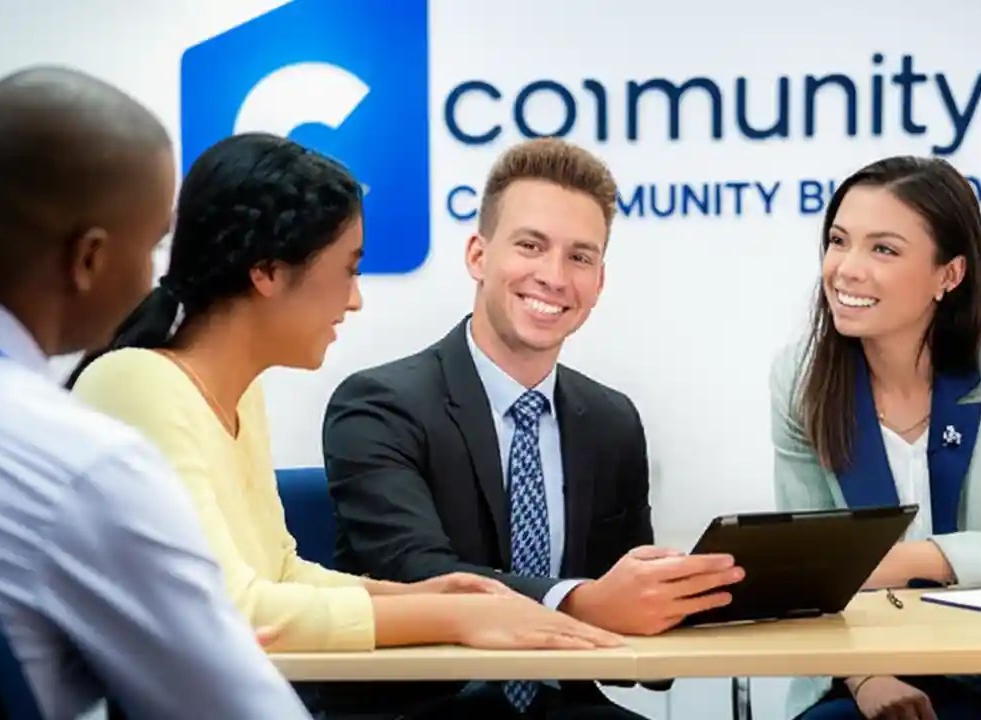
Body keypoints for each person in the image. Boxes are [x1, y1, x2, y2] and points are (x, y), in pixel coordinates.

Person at [66, 132, 623, 714]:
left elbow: (278, 572)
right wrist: (454, 614)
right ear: (268, 271)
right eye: (348, 270)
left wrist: (419, 595)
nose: (355, 300)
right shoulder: (137, 382)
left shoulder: (238, 395)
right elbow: (231, 606)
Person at [322, 137, 744, 719]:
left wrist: (685, 597)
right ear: (478, 255)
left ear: (600, 280)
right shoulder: (378, 406)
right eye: (530, 245)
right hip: (423, 707)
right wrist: (581, 601)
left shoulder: (612, 421)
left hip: (562, 706)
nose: (554, 275)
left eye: (580, 257)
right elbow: (417, 572)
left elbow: (631, 624)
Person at [0, 66, 315, 719]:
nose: (155, 277)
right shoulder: (86, 466)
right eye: (152, 247)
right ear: (88, 260)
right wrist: (199, 659)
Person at [769, 155, 981, 720]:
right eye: (838, 240)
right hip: (869, 672)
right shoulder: (800, 377)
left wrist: (915, 559)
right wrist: (866, 678)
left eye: (883, 249)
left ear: (949, 275)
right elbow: (811, 575)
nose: (846, 269)